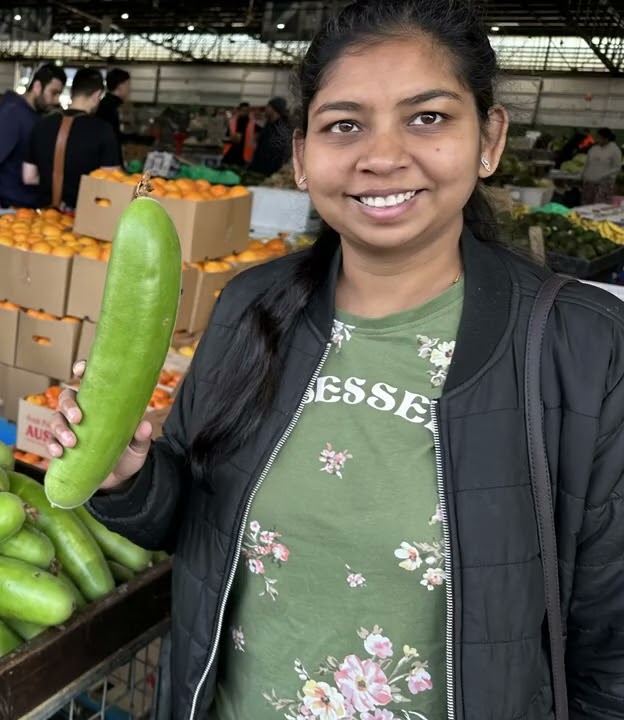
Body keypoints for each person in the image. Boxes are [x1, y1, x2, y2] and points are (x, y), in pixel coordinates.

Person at [49, 1, 624, 719]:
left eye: (427, 118)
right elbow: (198, 527)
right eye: (344, 125)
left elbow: (610, 652)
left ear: (490, 137)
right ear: (300, 156)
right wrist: (128, 477)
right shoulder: (251, 308)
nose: (382, 156)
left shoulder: (586, 348)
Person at [23, 68, 121, 211]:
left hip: (43, 217)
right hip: (83, 217)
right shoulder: (102, 130)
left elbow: (28, 177)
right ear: (97, 95)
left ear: (72, 92)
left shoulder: (41, 125)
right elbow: (112, 180)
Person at [0, 64, 65, 210]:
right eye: (53, 93)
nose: (56, 100)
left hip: (26, 204)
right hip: (8, 204)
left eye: (59, 94)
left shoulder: (35, 116)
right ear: (37, 87)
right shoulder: (13, 114)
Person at [247, 96, 292, 176]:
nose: (266, 108)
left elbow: (277, 152)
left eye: (268, 106)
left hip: (269, 171)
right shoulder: (269, 124)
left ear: (274, 109)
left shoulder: (282, 128)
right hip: (258, 169)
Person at [581, 127, 620, 205]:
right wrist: (583, 175)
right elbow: (587, 163)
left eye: (599, 137)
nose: (597, 139)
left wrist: (603, 175)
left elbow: (616, 167)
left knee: (599, 205)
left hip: (604, 183)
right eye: (597, 137)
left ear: (606, 138)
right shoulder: (593, 149)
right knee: (586, 204)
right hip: (589, 181)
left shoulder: (615, 150)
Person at [97, 68, 131, 151]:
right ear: (120, 86)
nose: (129, 88)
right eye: (127, 84)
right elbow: (113, 135)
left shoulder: (107, 103)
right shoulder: (111, 106)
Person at [221, 102, 252, 167]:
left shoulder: (252, 124)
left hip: (244, 156)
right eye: (243, 110)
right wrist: (231, 138)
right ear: (239, 111)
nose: (245, 113)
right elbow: (225, 138)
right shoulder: (232, 122)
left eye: (247, 111)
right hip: (230, 154)